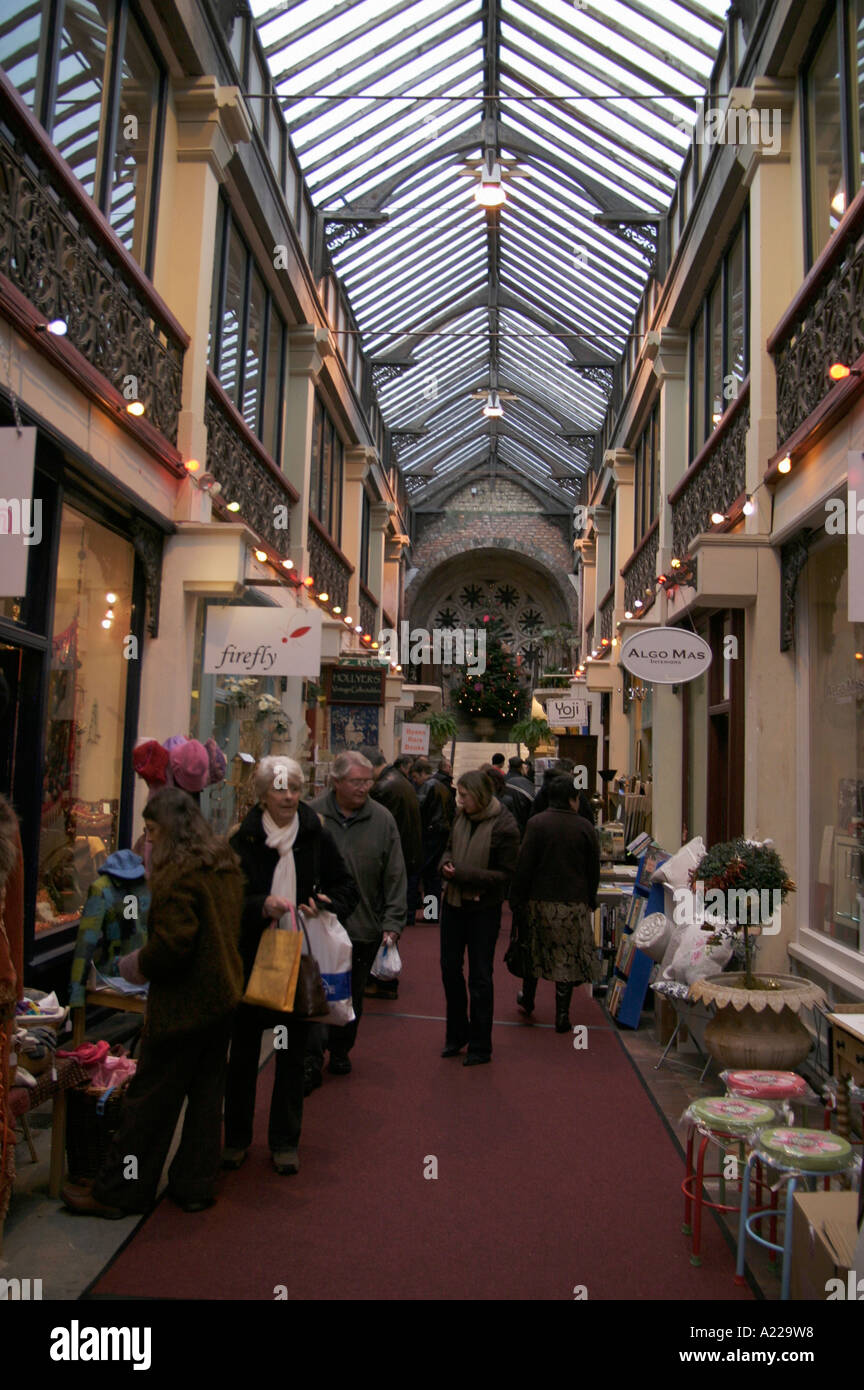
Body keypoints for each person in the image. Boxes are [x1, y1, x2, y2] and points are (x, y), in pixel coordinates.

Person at [62, 788, 245, 1217]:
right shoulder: (222, 866)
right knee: (204, 1101)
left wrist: (134, 965)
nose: (146, 840)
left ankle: (119, 1194)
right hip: (221, 1000)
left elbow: (172, 947)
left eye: (151, 831)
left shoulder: (176, 875)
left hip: (183, 1009)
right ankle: (195, 1186)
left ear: (170, 833)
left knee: (147, 1108)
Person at [223, 757, 358, 1170]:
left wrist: (324, 903)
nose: (288, 796)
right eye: (280, 789)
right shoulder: (242, 841)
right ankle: (236, 1140)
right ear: (263, 794)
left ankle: (284, 1142)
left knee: (291, 1052)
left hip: (298, 958)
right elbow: (225, 900)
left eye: (295, 789)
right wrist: (257, 906)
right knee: (243, 1056)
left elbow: (346, 887)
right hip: (252, 959)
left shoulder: (315, 835)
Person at [305, 752, 406, 1083]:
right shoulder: (312, 814)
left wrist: (392, 923)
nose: (365, 787)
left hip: (362, 926)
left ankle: (340, 1050)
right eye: (357, 782)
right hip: (315, 925)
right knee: (314, 989)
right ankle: (310, 1054)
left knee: (351, 995)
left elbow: (395, 874)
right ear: (336, 782)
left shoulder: (383, 820)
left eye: (368, 781)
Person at [439, 769, 520, 1065]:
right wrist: (446, 864)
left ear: (480, 795)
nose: (459, 801)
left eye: (464, 795)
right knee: (449, 969)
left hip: (483, 909)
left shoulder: (504, 826)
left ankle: (480, 1044)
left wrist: (464, 874)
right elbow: (448, 848)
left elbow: (506, 875)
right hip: (453, 903)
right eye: (458, 794)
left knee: (480, 977)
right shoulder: (461, 818)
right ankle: (456, 1032)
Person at [509, 774, 601, 1033]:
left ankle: (528, 999)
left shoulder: (536, 824)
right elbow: (592, 869)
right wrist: (591, 898)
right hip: (573, 900)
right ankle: (562, 1014)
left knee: (533, 949)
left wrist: (517, 897)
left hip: (539, 898)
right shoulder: (585, 828)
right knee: (566, 956)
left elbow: (524, 864)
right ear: (573, 799)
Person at [366, 750, 421, 996]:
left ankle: (383, 978)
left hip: (395, 859)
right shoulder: (398, 781)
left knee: (382, 919)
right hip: (409, 855)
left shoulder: (384, 788)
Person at [410, 756, 451, 921]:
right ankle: (432, 913)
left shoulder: (427, 787)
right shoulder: (442, 787)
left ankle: (414, 913)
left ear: (421, 773)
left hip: (429, 835)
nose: (415, 781)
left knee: (421, 874)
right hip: (440, 833)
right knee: (433, 876)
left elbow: (419, 809)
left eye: (415, 777)